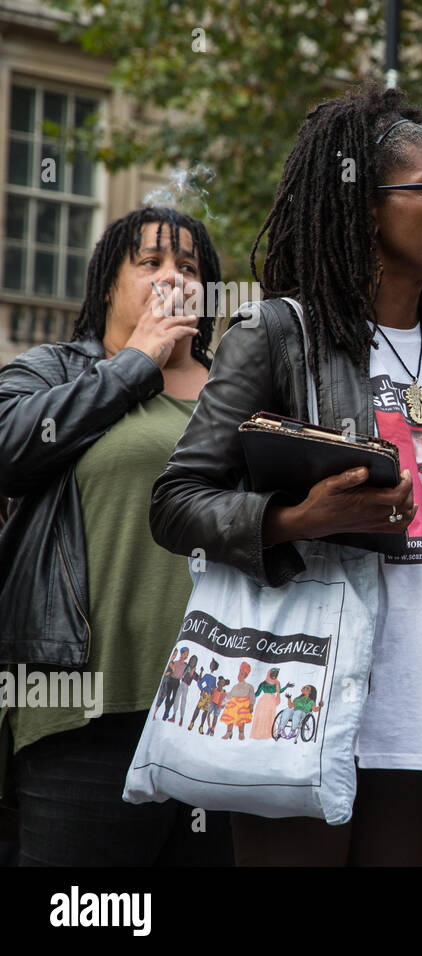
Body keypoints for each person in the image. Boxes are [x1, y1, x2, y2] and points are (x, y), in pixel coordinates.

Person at [149, 83, 422, 866]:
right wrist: (297, 520)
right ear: (366, 206)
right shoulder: (279, 334)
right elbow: (176, 502)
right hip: (301, 688)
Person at [0, 206, 233, 866]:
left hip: (221, 712)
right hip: (85, 713)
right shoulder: (53, 371)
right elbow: (10, 450)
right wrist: (139, 361)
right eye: (151, 262)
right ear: (107, 284)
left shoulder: (239, 389)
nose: (172, 278)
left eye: (189, 267)